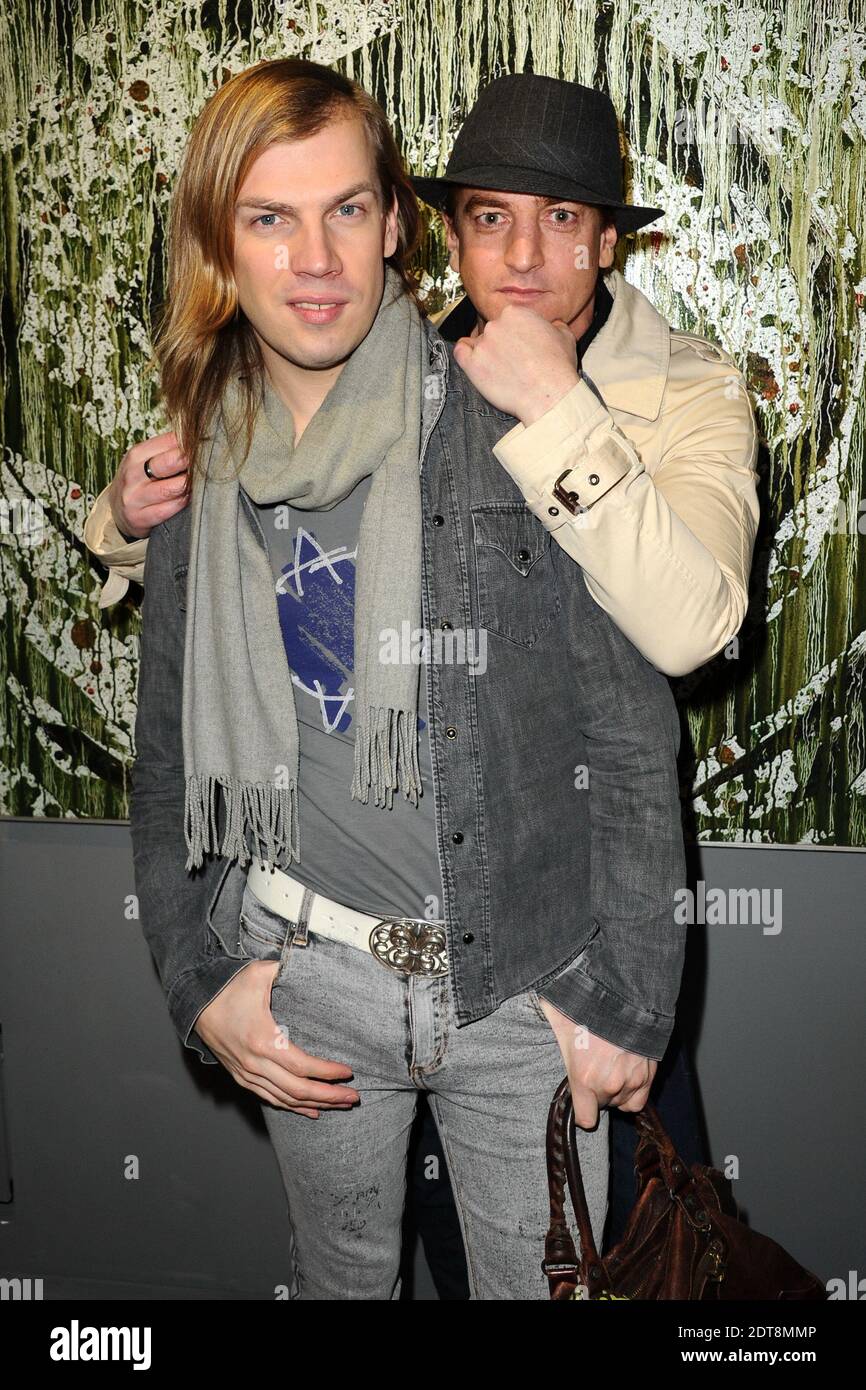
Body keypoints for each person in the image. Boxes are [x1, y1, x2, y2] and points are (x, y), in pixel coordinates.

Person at [81, 62, 750, 1298]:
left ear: (391, 226)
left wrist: (626, 1000)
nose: (316, 257)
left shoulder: (529, 425)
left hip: (520, 983)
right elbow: (168, 749)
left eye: (344, 209)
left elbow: (628, 719)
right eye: (270, 219)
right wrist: (199, 976)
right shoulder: (198, 455)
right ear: (222, 246)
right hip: (308, 980)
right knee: (342, 1283)